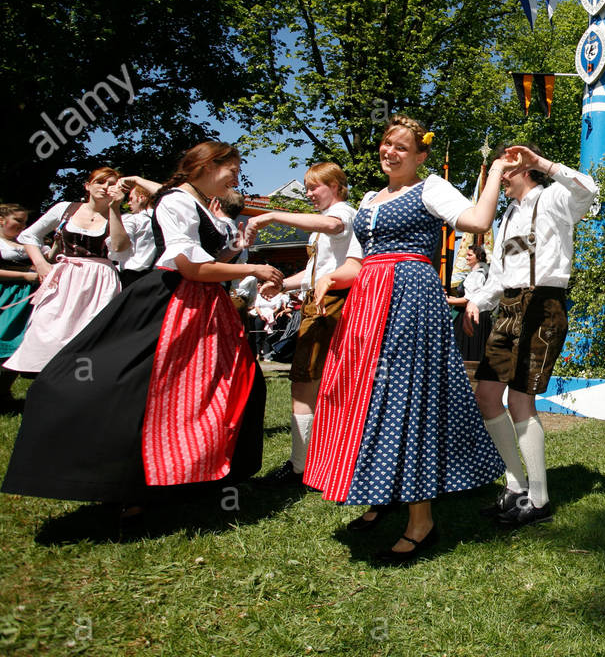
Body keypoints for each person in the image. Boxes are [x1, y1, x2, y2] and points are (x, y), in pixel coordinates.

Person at [1, 142, 282, 511]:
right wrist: (253, 268)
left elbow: (210, 258)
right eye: (231, 168)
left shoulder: (200, 205)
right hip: (175, 303)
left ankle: (193, 474)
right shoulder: (177, 201)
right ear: (205, 166)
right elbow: (190, 268)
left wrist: (236, 250)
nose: (236, 176)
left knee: (229, 388)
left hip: (206, 308)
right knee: (139, 389)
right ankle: (129, 482)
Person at [306, 118, 508, 563]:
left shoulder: (431, 187)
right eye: (386, 143)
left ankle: (422, 521)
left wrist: (492, 173)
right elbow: (358, 261)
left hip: (410, 300)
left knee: (405, 399)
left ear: (419, 157)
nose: (390, 151)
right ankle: (381, 493)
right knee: (362, 396)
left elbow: (477, 219)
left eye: (401, 147)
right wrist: (327, 277)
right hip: (367, 304)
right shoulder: (368, 199)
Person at [465, 143, 599, 527]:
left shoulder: (555, 197)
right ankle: (515, 485)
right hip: (508, 305)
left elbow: (588, 189)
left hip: (543, 303)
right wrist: (478, 300)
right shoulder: (506, 216)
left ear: (524, 169)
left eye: (506, 170)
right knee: (487, 395)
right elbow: (501, 272)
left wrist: (541, 162)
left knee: (521, 399)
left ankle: (538, 499)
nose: (500, 178)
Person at [243, 163, 357, 487]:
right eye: (306, 187)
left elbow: (334, 226)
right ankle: (316, 462)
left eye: (314, 187)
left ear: (335, 185)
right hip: (319, 303)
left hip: (333, 305)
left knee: (309, 382)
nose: (308, 194)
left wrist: (275, 215)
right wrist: (282, 286)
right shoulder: (319, 227)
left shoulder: (344, 213)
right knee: (311, 383)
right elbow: (313, 273)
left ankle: (302, 467)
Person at [3, 167, 128, 375]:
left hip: (100, 279)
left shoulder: (120, 217)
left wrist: (115, 210)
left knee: (89, 331)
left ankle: (79, 383)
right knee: (48, 325)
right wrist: (42, 264)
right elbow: (28, 236)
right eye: (100, 182)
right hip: (65, 275)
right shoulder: (65, 208)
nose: (106, 187)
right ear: (88, 186)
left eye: (112, 184)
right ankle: (37, 378)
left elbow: (121, 250)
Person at [0, 204, 38, 408]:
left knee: (19, 345)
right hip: (4, 296)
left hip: (25, 299)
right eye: (18, 221)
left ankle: (3, 392)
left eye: (25, 222)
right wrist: (23, 274)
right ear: (1, 220)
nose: (23, 226)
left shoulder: (24, 244)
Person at [113, 177, 161, 287]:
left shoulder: (132, 219)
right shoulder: (164, 220)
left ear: (141, 198)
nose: (129, 203)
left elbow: (119, 249)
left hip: (130, 279)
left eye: (131, 198)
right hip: (157, 278)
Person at [448, 244, 491, 365]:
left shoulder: (477, 274)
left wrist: (446, 301)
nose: (467, 258)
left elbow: (468, 300)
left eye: (469, 255)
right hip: (476, 315)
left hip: (471, 316)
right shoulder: (477, 273)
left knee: (467, 352)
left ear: (478, 257)